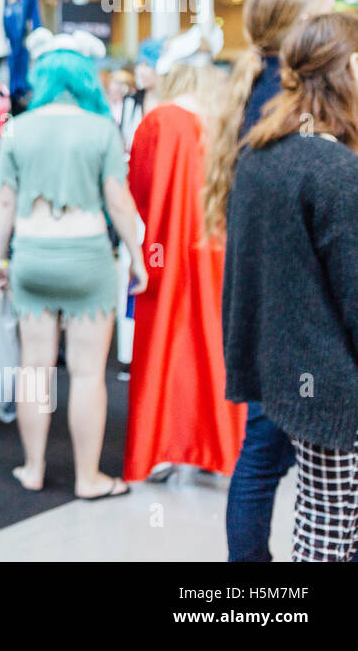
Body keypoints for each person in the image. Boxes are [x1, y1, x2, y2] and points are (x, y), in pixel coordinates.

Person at [204, 0, 332, 561]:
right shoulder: (281, 103)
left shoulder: (257, 92)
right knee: (271, 457)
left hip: (272, 306)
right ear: (299, 25)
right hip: (293, 312)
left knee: (267, 456)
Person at [0, 28, 148, 500]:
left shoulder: (17, 127)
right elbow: (118, 201)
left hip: (32, 257)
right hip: (87, 260)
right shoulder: (102, 130)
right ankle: (88, 478)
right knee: (85, 373)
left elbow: (4, 202)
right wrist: (137, 256)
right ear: (86, 76)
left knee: (34, 368)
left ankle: (34, 467)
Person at [224, 11, 358, 561]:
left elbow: (245, 280)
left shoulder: (260, 154)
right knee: (330, 536)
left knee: (320, 525)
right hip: (334, 387)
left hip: (290, 376)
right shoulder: (334, 171)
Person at [125, 64, 244, 484]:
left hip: (164, 249)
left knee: (163, 343)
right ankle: (218, 449)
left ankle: (160, 447)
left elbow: (137, 188)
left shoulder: (158, 120)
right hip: (218, 248)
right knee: (213, 345)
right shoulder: (225, 126)